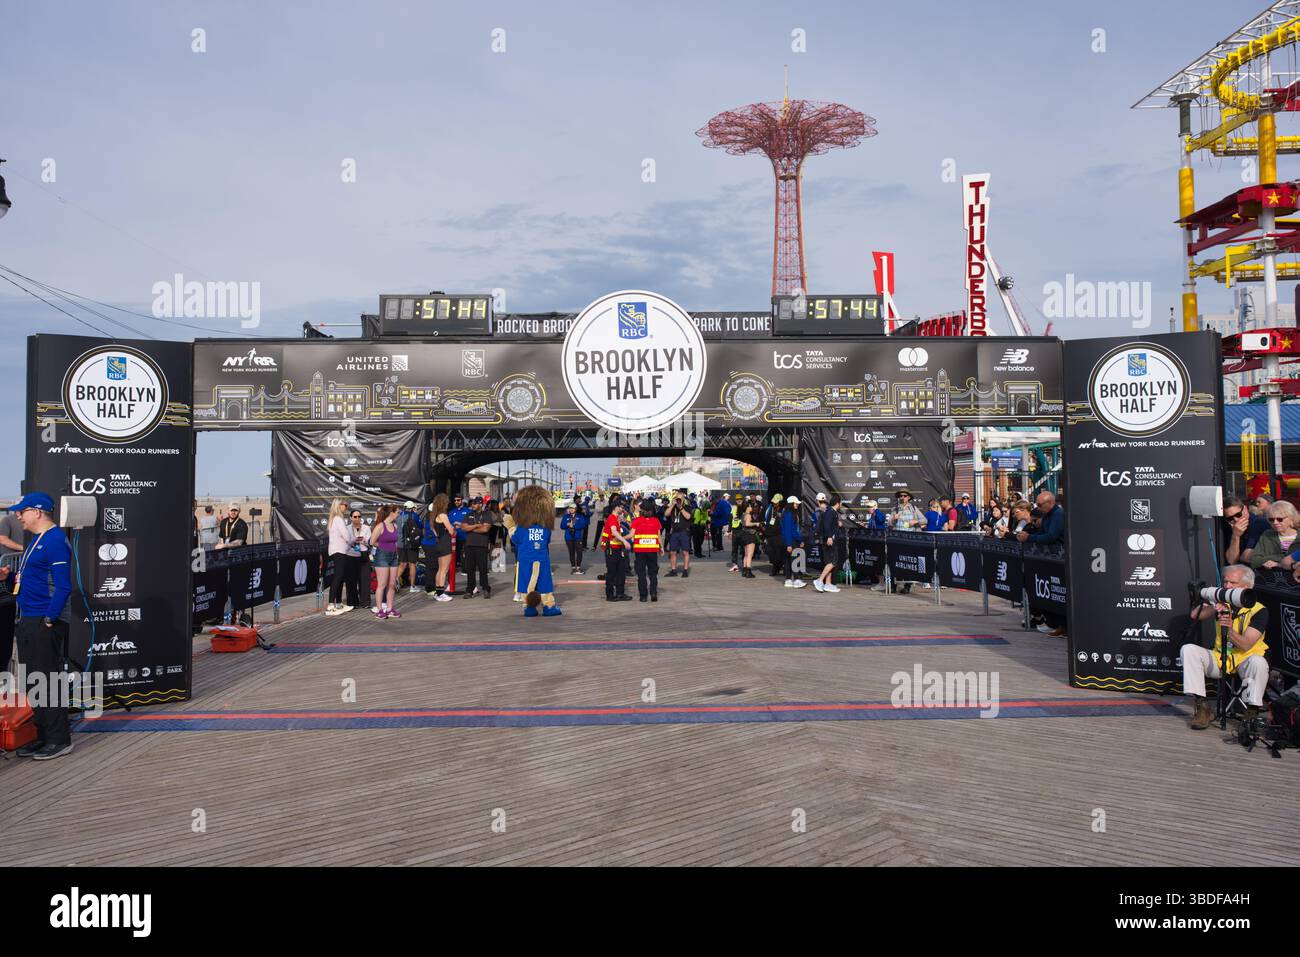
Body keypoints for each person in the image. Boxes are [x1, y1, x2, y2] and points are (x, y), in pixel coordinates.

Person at [9, 492, 75, 760]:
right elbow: (29, 578)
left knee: (48, 681)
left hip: (44, 620)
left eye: (21, 511)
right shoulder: (36, 540)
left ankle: (59, 739)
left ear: (37, 512)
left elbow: (63, 586)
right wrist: (10, 576)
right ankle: (42, 735)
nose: (17, 515)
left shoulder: (56, 540)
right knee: (33, 681)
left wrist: (49, 618)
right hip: (28, 619)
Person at [1182, 565, 1270, 729]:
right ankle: (1202, 707)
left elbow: (1245, 645)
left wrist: (1229, 629)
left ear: (1247, 587)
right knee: (1188, 650)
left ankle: (1251, 712)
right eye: (1226, 582)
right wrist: (1211, 603)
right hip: (1221, 658)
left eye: (1233, 583)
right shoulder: (1222, 600)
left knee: (1259, 662)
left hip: (1245, 661)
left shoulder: (1259, 610)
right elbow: (1195, 615)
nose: (1227, 586)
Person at [512, 485, 561, 616]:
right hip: (541, 558)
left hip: (525, 559)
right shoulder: (545, 528)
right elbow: (547, 541)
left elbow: (516, 539)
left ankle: (529, 607)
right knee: (544, 582)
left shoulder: (522, 528)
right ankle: (549, 606)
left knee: (527, 582)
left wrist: (511, 528)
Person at [367, 505, 401, 618]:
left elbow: (395, 542)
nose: (398, 514)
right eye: (397, 512)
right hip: (382, 556)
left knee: (391, 585)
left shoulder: (395, 525)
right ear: (391, 513)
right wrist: (383, 546)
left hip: (394, 556)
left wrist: (394, 550)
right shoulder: (380, 526)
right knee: (381, 585)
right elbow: (371, 542)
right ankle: (380, 610)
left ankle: (390, 609)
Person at [423, 493, 456, 601]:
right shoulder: (443, 515)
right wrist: (454, 527)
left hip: (438, 543)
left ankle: (438, 592)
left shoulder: (433, 515)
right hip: (445, 542)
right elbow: (451, 531)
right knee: (444, 569)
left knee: (440, 569)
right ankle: (441, 593)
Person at [459, 497, 493, 599]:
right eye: (472, 503)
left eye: (474, 504)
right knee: (470, 569)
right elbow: (463, 527)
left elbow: (485, 529)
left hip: (481, 545)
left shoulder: (486, 514)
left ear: (480, 504)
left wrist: (470, 528)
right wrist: (477, 525)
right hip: (469, 545)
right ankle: (470, 590)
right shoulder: (469, 514)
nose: (472, 505)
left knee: (483, 569)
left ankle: (486, 589)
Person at [1250, 499, 1299, 570]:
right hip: (1272, 579)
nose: (1275, 522)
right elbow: (1254, 561)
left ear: (1291, 518)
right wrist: (1286, 559)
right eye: (1271, 520)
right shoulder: (1267, 535)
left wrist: (1274, 560)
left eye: (1279, 519)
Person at [325, 500, 354, 616]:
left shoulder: (336, 519)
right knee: (338, 576)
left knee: (340, 577)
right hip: (339, 551)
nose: (346, 507)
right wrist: (353, 541)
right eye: (344, 505)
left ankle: (338, 603)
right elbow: (346, 535)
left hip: (340, 550)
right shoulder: (338, 519)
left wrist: (351, 542)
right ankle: (331, 605)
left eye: (347, 505)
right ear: (338, 506)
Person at [631, 499, 663, 602]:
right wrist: (661, 548)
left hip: (640, 551)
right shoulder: (656, 521)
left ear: (642, 510)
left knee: (641, 573)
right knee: (653, 573)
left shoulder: (636, 521)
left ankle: (643, 596)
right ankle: (653, 593)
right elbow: (659, 536)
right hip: (652, 551)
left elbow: (632, 536)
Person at [1222, 495, 1268, 565]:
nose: (1235, 519)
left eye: (1238, 515)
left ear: (1245, 509)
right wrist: (1235, 536)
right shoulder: (1228, 528)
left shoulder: (1261, 523)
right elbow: (1231, 561)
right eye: (1230, 518)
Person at [602, 500, 633, 601]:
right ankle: (610, 595)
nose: (622, 509)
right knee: (612, 572)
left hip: (618, 549)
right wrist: (625, 541)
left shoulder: (616, 518)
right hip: (612, 549)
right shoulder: (612, 518)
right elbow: (614, 532)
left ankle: (620, 593)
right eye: (621, 507)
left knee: (621, 571)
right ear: (616, 507)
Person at [815, 494, 844, 593]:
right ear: (838, 503)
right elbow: (826, 525)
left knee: (830, 562)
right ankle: (819, 580)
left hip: (832, 539)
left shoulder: (832, 512)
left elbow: (830, 524)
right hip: (830, 540)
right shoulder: (830, 512)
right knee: (833, 561)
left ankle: (828, 584)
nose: (841, 504)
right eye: (841, 503)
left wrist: (837, 524)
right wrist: (829, 537)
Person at [346, 508, 372, 610]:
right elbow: (346, 542)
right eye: (355, 517)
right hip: (351, 554)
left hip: (363, 553)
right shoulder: (347, 528)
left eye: (359, 517)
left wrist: (364, 540)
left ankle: (365, 602)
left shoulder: (366, 528)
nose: (357, 519)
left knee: (365, 579)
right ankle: (352, 602)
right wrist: (354, 540)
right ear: (351, 518)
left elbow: (370, 542)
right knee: (351, 579)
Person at [664, 493, 693, 578]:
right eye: (677, 499)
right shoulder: (673, 507)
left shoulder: (687, 507)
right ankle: (673, 570)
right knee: (673, 552)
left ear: (683, 499)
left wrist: (681, 508)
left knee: (685, 552)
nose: (678, 500)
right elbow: (666, 514)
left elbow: (688, 517)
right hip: (675, 532)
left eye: (680, 499)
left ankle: (685, 570)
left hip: (684, 531)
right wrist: (673, 505)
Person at [397, 500, 424, 592]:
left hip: (400, 544)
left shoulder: (398, 516)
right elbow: (421, 526)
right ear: (412, 508)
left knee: (402, 564)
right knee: (412, 565)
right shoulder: (414, 515)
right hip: (411, 544)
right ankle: (412, 586)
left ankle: (393, 582)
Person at [780, 496, 806, 588]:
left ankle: (788, 580)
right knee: (794, 560)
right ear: (791, 504)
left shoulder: (788, 513)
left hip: (790, 540)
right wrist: (789, 544)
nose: (798, 505)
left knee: (788, 560)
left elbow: (792, 530)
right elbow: (788, 530)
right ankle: (796, 580)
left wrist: (800, 540)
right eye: (796, 503)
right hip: (790, 541)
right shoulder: (789, 514)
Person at [561, 502, 588, 575]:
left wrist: (574, 526)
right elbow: (562, 526)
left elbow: (583, 525)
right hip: (568, 537)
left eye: (572, 508)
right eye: (570, 508)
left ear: (575, 509)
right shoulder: (566, 516)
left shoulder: (580, 516)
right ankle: (573, 567)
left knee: (579, 552)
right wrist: (567, 524)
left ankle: (578, 567)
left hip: (577, 537)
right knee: (571, 552)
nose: (571, 509)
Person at [735, 499, 760, 579]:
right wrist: (756, 523)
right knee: (750, 555)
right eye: (751, 506)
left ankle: (745, 570)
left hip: (744, 535)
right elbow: (747, 524)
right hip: (750, 535)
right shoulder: (748, 515)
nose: (752, 507)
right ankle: (748, 571)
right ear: (748, 507)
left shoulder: (743, 514)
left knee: (745, 554)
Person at [448, 493, 469, 582]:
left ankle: (465, 569)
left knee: (465, 554)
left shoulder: (468, 511)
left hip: (465, 537)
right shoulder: (452, 512)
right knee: (454, 555)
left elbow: (470, 523)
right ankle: (454, 569)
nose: (456, 502)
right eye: (455, 500)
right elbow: (448, 523)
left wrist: (461, 525)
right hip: (454, 538)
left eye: (458, 500)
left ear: (462, 500)